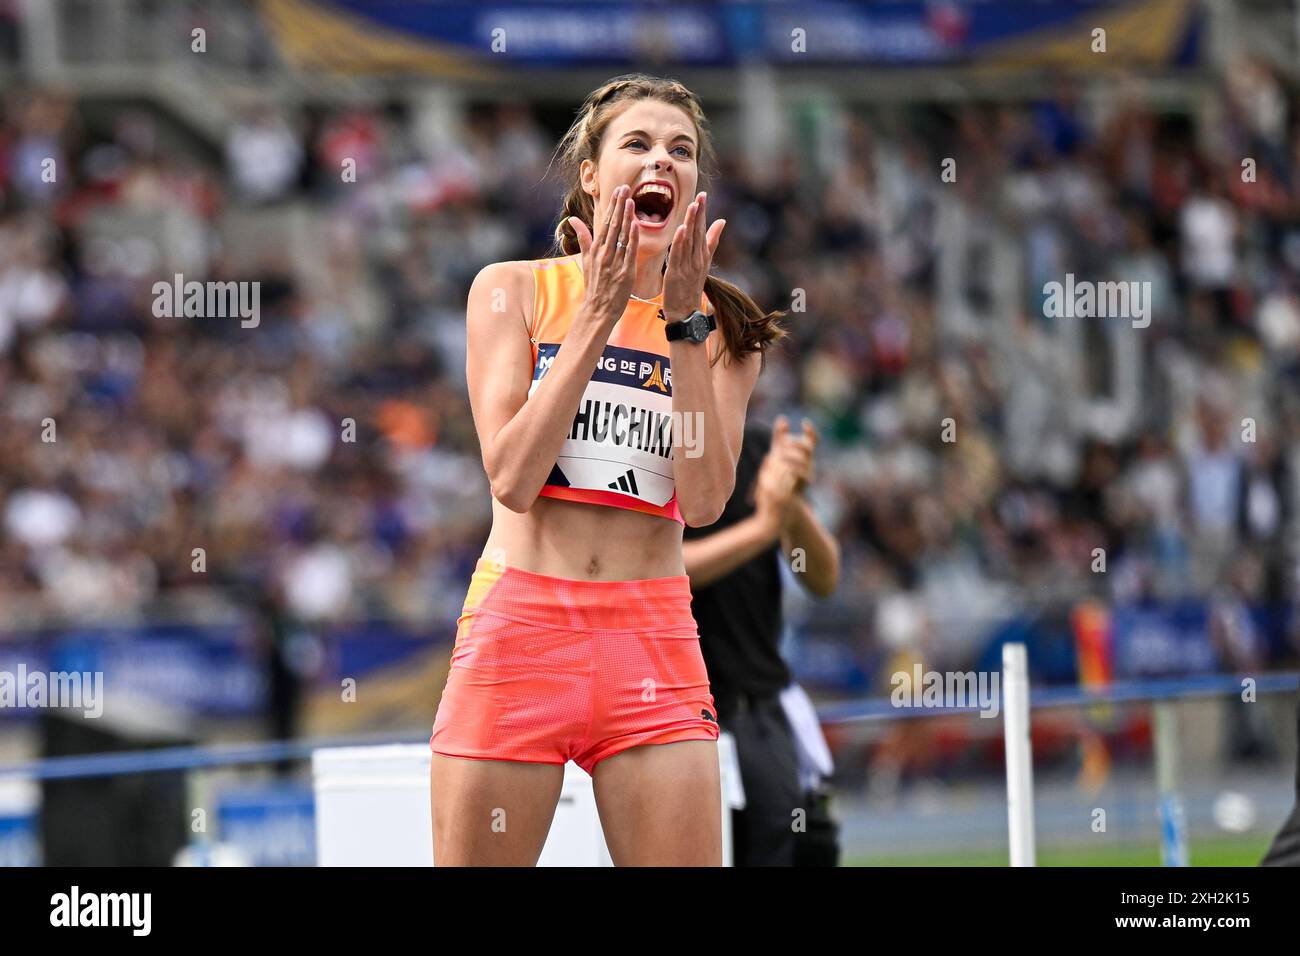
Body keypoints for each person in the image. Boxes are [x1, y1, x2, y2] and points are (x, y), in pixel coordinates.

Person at [428, 74, 786, 866]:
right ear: (590, 175)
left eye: (682, 150)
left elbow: (700, 500)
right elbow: (512, 478)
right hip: (520, 632)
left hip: (649, 639)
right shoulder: (511, 292)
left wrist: (686, 326)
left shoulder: (725, 329)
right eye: (639, 143)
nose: (663, 160)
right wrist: (598, 314)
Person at [682, 415, 842, 865]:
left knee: (794, 849)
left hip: (757, 711)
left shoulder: (753, 448)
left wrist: (789, 508)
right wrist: (762, 530)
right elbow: (655, 570)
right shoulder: (652, 437)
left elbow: (823, 578)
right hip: (672, 715)